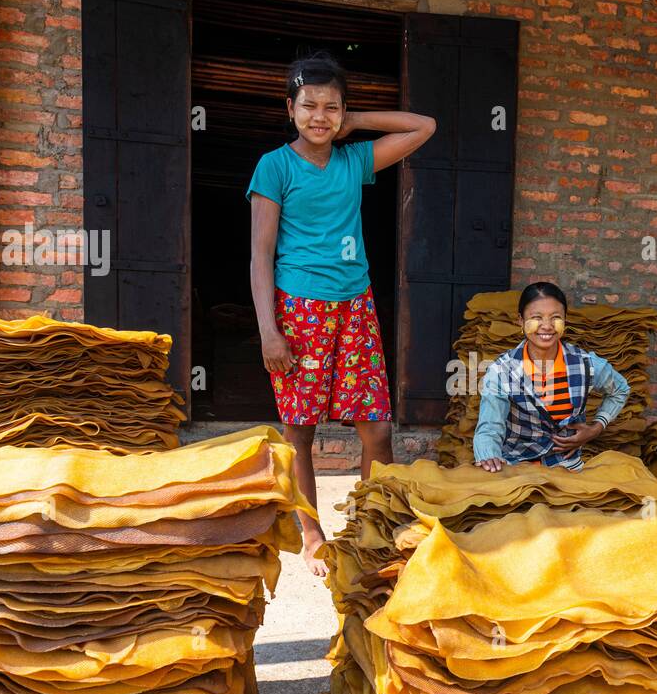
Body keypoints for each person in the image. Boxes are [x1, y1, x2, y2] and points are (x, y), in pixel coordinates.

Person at [248, 52, 436, 576]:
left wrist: (356, 122)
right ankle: (311, 534)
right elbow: (260, 255)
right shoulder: (275, 166)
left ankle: (373, 522)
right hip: (299, 312)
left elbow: (425, 126)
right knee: (300, 430)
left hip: (355, 307)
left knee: (375, 426)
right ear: (290, 108)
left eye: (333, 108)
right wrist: (269, 331)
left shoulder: (355, 161)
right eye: (309, 106)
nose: (320, 117)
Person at [474, 282, 631, 473]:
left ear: (565, 320)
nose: (547, 326)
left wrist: (595, 429)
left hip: (567, 468)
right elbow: (490, 427)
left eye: (555, 318)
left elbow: (620, 389)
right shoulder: (502, 371)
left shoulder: (585, 364)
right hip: (516, 467)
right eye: (536, 318)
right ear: (520, 321)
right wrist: (489, 455)